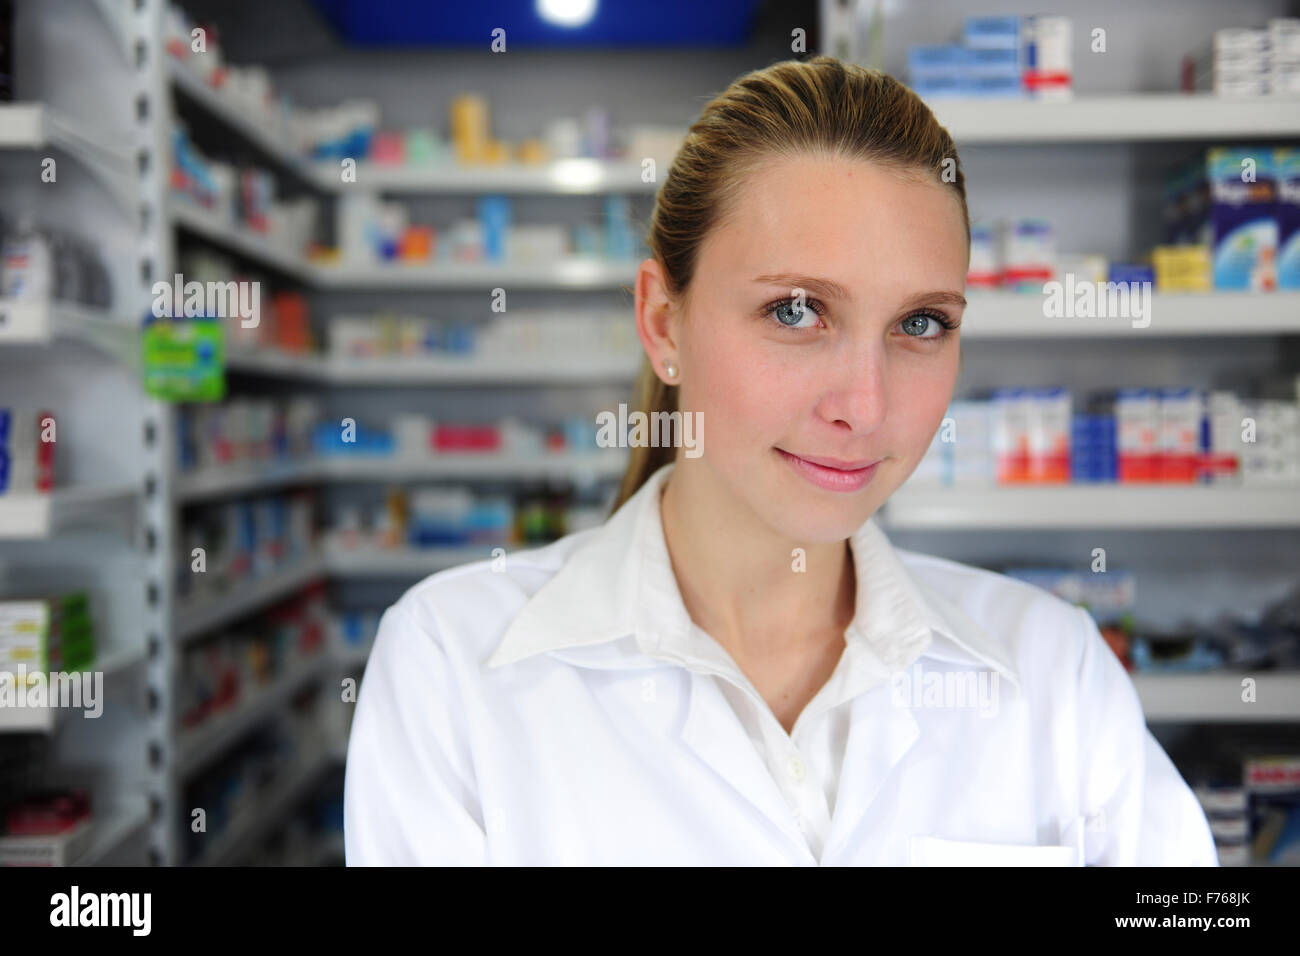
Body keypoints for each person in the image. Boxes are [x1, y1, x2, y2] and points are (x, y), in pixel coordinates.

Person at [343, 55, 1219, 866]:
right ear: (662, 322)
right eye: (797, 312)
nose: (864, 407)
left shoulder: (1053, 674)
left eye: (921, 325)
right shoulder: (454, 667)